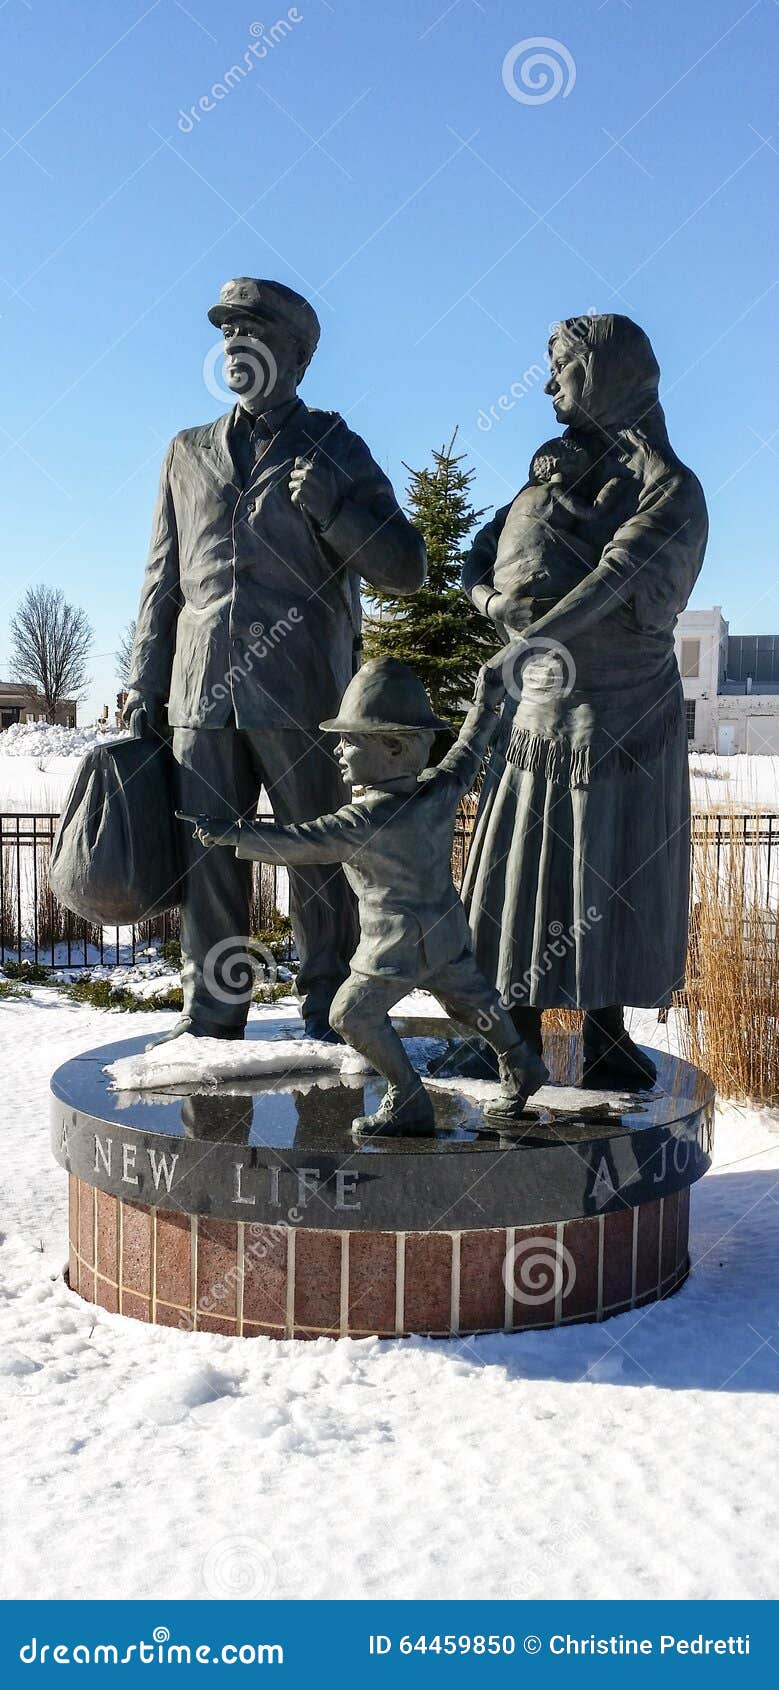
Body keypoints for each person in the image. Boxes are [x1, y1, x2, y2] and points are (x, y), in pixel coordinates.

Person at [123, 277, 426, 1045]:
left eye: (252, 334)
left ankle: (330, 1011)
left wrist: (334, 507)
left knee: (319, 856)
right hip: (199, 695)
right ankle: (215, 1015)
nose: (234, 347)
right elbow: (162, 583)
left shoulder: (334, 443)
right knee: (210, 862)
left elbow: (405, 567)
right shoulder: (185, 452)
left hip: (303, 692)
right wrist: (142, 683)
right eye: (227, 334)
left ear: (295, 355)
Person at [462, 314, 709, 1086]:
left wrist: (518, 646)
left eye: (564, 367)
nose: (546, 385)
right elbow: (478, 548)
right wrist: (491, 606)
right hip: (540, 710)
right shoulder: (548, 473)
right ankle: (515, 1032)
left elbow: (612, 583)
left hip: (622, 714)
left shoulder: (669, 490)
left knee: (608, 867)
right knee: (521, 868)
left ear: (604, 374)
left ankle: (605, 1035)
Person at [179, 656, 548, 1134]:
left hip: (394, 948)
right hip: (445, 934)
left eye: (349, 741)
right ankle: (521, 1065)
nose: (338, 752)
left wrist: (232, 835)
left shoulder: (360, 823)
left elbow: (294, 843)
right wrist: (484, 704)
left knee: (350, 1013)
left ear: (393, 747)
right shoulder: (437, 792)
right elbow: (467, 750)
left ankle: (409, 1098)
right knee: (473, 1004)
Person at [491, 436, 627, 622]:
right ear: (560, 472)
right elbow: (591, 512)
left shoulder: (519, 501)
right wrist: (611, 488)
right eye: (580, 474)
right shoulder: (554, 490)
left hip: (504, 582)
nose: (584, 483)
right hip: (542, 576)